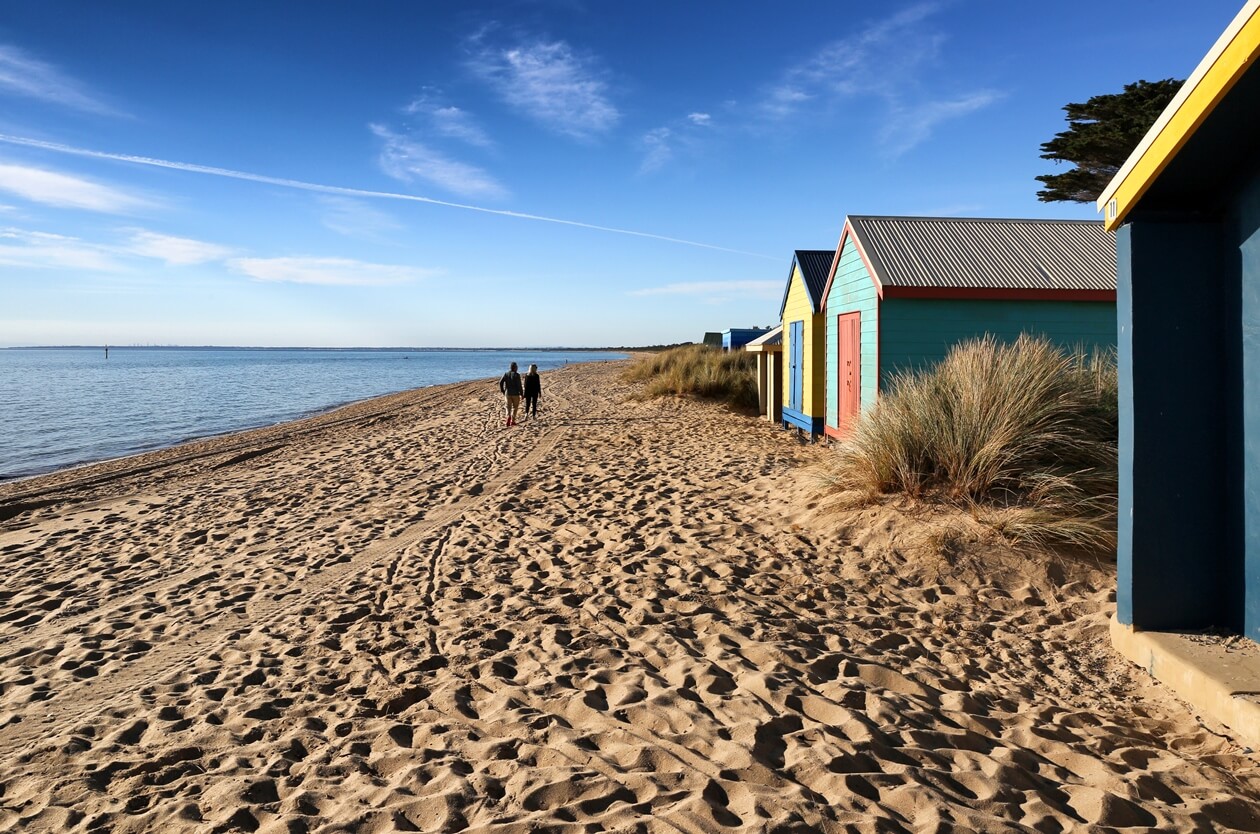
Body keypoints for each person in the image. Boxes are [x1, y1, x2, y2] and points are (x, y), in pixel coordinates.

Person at [499, 361, 523, 426]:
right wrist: (521, 393)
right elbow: (519, 385)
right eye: (517, 367)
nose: (517, 368)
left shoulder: (506, 374)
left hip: (508, 393)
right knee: (515, 407)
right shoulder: (517, 375)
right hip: (515, 394)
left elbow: (500, 382)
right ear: (515, 368)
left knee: (508, 407)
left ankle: (508, 416)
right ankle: (513, 420)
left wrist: (503, 390)